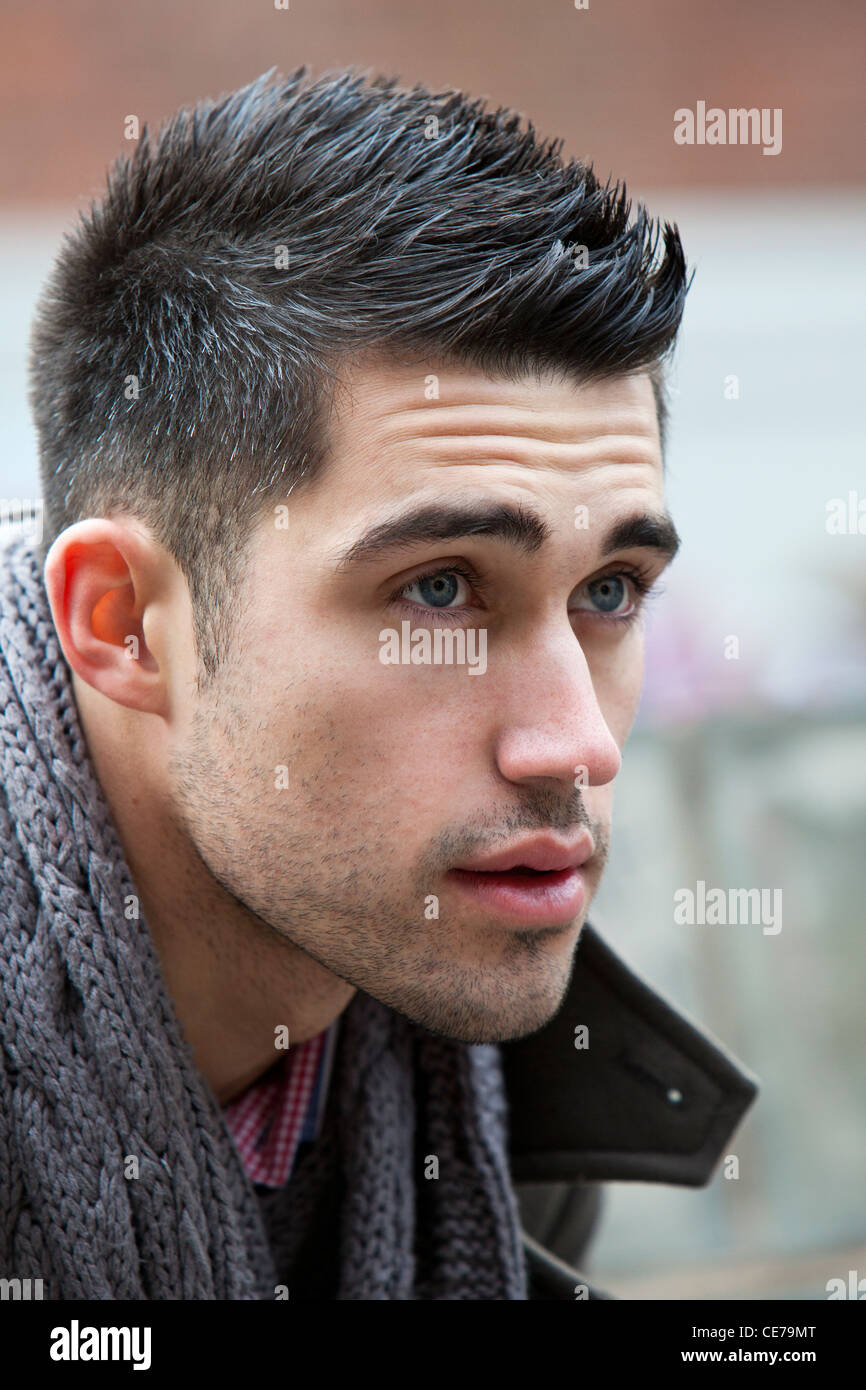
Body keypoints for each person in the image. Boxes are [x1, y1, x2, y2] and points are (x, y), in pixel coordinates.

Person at [0, 65, 757, 1300]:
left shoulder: (501, 1108)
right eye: (441, 591)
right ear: (127, 623)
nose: (576, 745)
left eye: (608, 590)